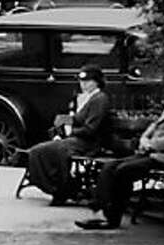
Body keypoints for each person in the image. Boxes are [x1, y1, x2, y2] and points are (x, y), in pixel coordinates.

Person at [76, 52, 164, 231]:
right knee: (109, 167)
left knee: (123, 170)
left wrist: (150, 144)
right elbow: (156, 123)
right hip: (155, 152)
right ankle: (99, 213)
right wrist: (146, 137)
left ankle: (111, 218)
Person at [25, 66, 113, 204]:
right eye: (81, 81)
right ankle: (57, 186)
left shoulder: (100, 99)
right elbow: (77, 118)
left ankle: (61, 188)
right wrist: (62, 123)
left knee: (48, 151)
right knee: (37, 151)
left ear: (97, 82)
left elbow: (90, 129)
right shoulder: (90, 98)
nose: (83, 85)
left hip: (88, 143)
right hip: (77, 140)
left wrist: (70, 131)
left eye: (87, 81)